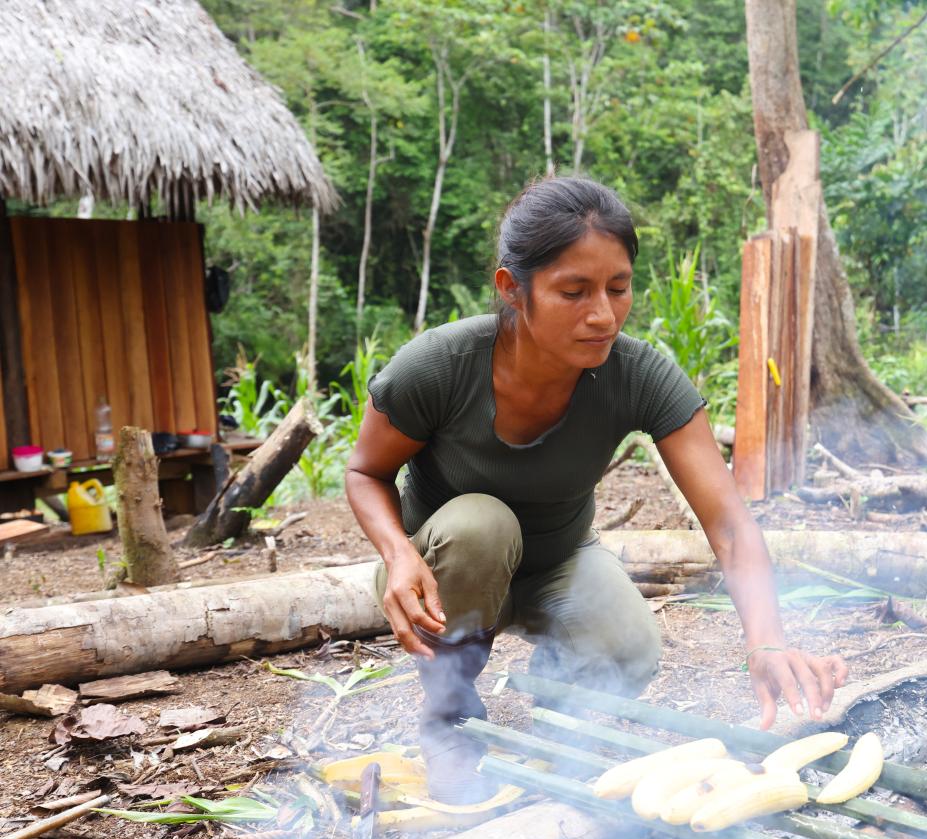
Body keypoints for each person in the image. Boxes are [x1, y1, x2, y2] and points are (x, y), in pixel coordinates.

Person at [345, 177, 848, 803]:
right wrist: (398, 554)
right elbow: (364, 471)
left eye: (619, 288)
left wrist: (767, 640)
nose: (603, 314)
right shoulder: (441, 366)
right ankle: (449, 718)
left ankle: (549, 723)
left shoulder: (637, 374)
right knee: (482, 523)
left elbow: (728, 522)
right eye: (573, 292)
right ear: (512, 289)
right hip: (445, 573)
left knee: (628, 645)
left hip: (558, 563)